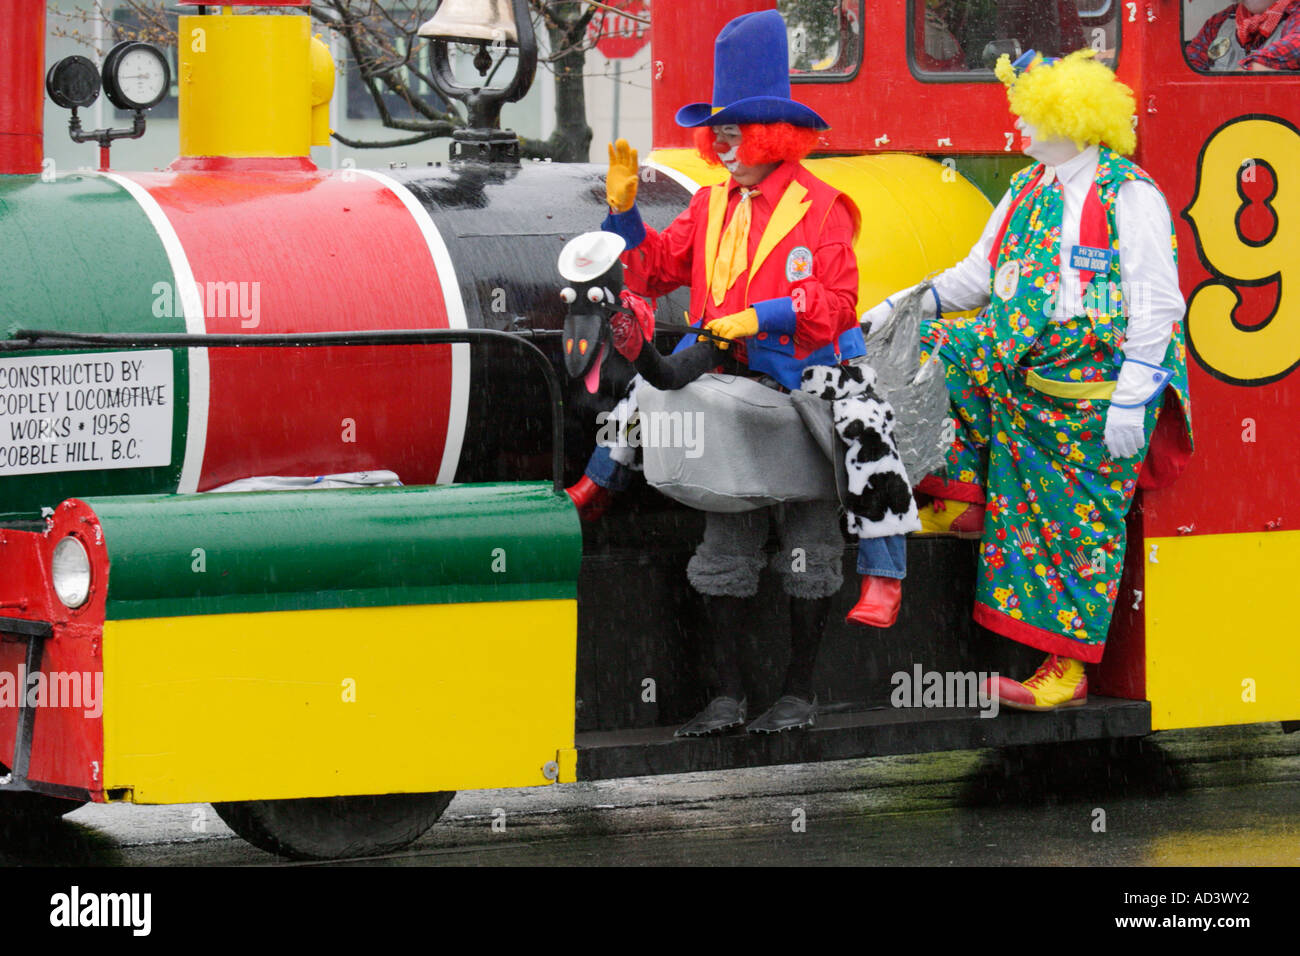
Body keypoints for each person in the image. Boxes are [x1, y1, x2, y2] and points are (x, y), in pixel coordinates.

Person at [596, 10, 916, 735]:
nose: (722, 146)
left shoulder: (826, 208)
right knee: (725, 552)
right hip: (727, 400)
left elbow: (836, 306)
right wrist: (622, 213)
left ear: (772, 134)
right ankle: (726, 699)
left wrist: (763, 316)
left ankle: (801, 692)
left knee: (809, 554)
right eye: (719, 133)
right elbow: (646, 271)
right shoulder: (708, 206)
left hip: (807, 396)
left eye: (733, 132)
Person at [862, 49, 1193, 711]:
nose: (1019, 126)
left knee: (1078, 529)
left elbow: (1159, 304)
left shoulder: (1128, 194)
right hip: (1020, 373)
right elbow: (973, 280)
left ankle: (1067, 671)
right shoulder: (1023, 190)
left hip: (1095, 388)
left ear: (1071, 118)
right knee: (920, 346)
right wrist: (899, 307)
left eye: (1033, 115)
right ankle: (963, 492)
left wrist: (1133, 398)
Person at [1186, 0, 1300, 71]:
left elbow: (1297, 44)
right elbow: (1188, 69)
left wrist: (1253, 67)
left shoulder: (1295, 11)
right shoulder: (1221, 20)